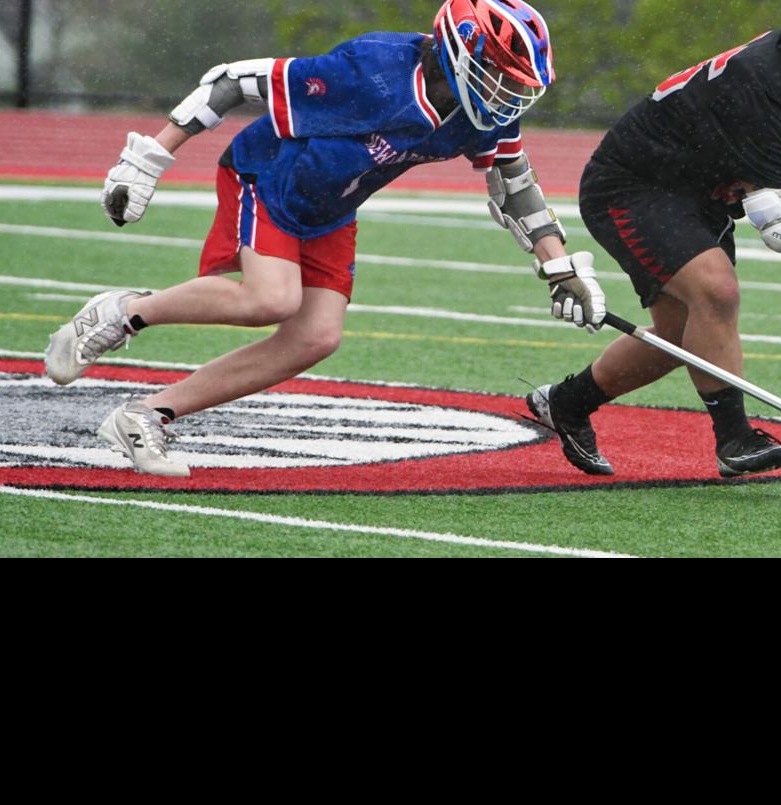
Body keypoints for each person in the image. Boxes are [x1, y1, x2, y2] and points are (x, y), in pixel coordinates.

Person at [45, 0, 607, 477]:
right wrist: (151, 157)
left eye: (518, 82)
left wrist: (559, 267)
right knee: (271, 299)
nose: (508, 93)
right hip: (270, 174)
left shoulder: (481, 112)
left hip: (333, 204)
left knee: (314, 337)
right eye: (502, 74)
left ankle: (146, 415)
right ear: (459, 51)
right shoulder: (375, 69)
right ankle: (122, 313)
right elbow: (232, 81)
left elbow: (514, 185)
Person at [525, 0, 781, 479]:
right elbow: (776, 222)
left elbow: (751, 153)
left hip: (695, 188)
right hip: (636, 185)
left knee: (680, 334)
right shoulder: (764, 78)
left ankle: (565, 403)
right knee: (716, 291)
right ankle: (734, 438)